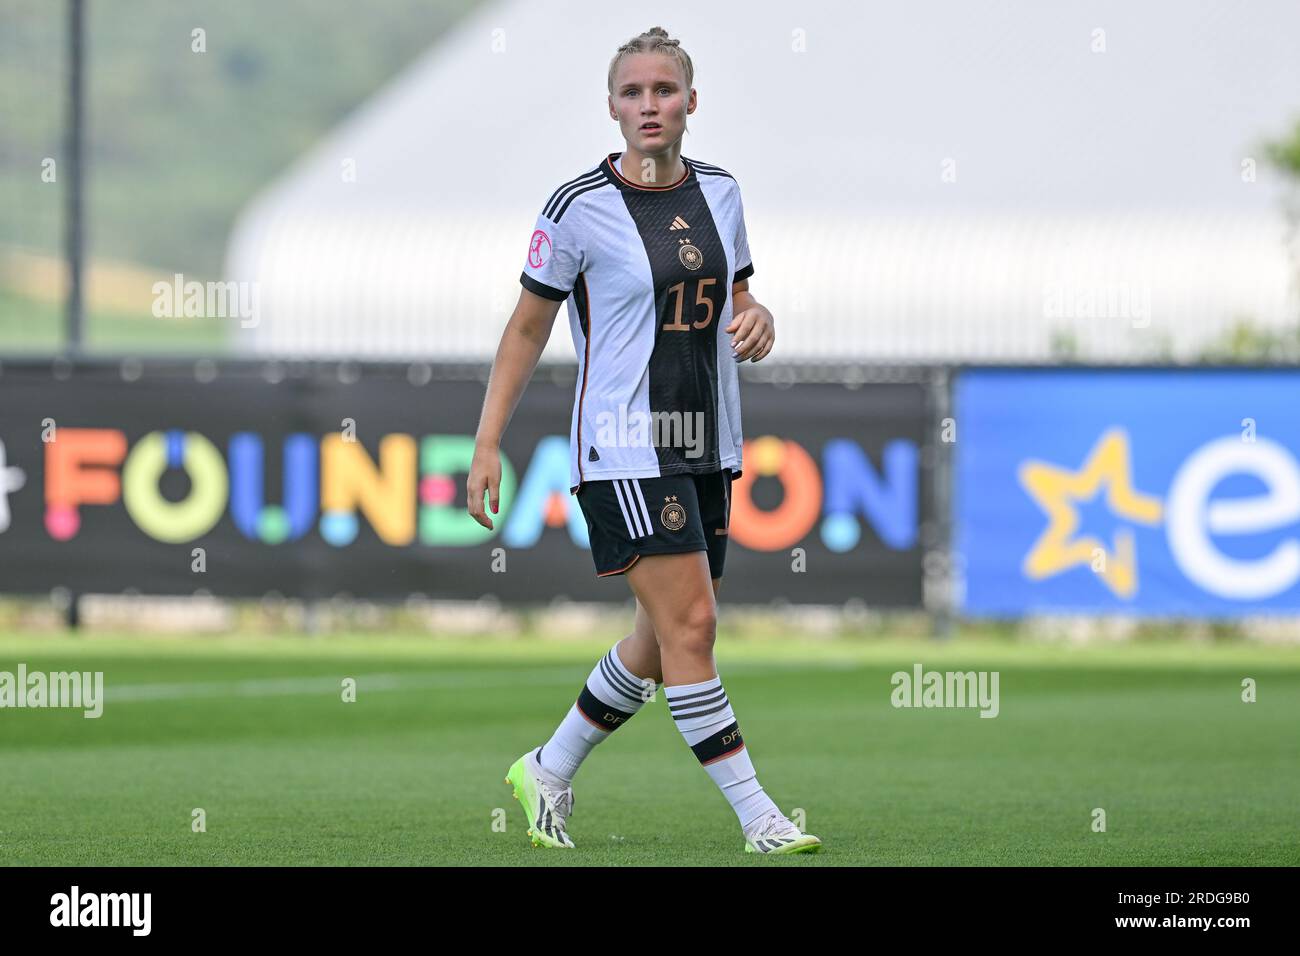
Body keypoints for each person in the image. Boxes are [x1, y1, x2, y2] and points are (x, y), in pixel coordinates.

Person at [467, 26, 821, 856]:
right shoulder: (576, 208)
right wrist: (488, 445)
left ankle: (547, 768)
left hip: (703, 439)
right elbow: (525, 330)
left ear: (691, 102)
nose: (649, 105)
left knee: (663, 642)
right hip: (623, 447)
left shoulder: (723, 193)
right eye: (633, 93)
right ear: (613, 108)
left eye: (664, 91)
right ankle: (759, 817)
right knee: (693, 625)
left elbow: (737, 299)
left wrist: (758, 316)